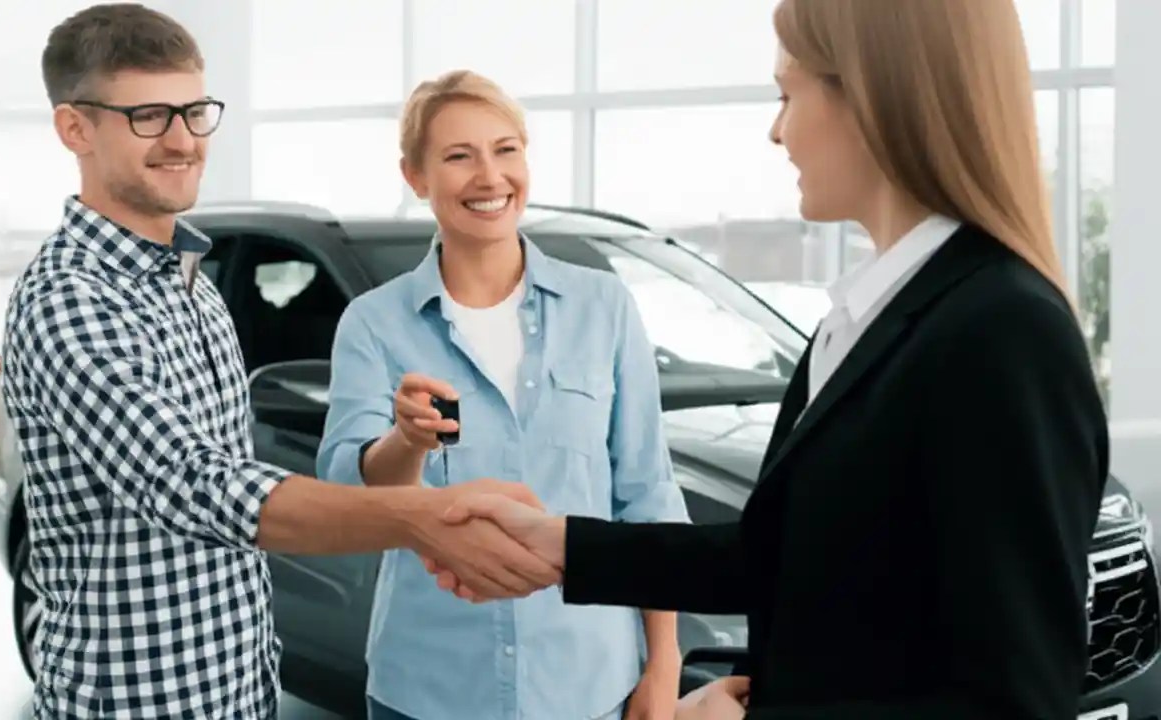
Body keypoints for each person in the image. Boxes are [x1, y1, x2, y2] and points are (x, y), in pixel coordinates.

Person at [427, 1, 1111, 718]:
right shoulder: (862, 319)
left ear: (872, 97)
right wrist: (559, 545)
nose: (777, 131)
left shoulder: (1003, 330)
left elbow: (1015, 704)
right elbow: (780, 560)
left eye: (788, 94)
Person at [0, 6, 554, 718]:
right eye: (148, 116)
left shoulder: (192, 285)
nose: (182, 140)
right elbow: (194, 485)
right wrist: (425, 515)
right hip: (134, 704)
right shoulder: (68, 299)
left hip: (237, 692)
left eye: (195, 111)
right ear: (75, 128)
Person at [316, 69, 691, 720]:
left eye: (505, 149)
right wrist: (405, 441)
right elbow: (351, 497)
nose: (490, 177)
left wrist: (664, 665)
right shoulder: (375, 324)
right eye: (459, 156)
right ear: (416, 177)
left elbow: (648, 496)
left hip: (589, 686)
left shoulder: (602, 307)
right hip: (428, 690)